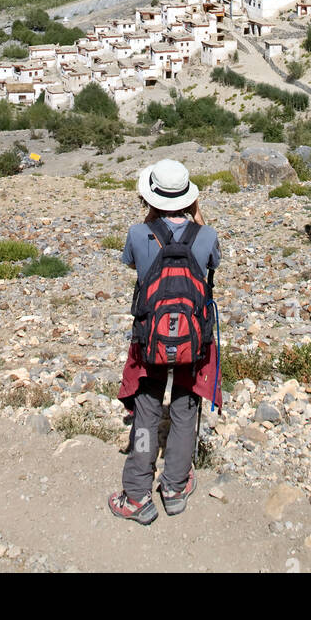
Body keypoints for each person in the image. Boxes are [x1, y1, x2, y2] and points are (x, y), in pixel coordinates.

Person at [108, 158, 222, 525]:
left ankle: (137, 493)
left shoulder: (137, 234)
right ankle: (174, 486)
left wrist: (150, 224)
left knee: (146, 415)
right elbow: (213, 264)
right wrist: (197, 219)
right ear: (189, 199)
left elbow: (134, 266)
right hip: (193, 339)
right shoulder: (206, 235)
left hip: (149, 338)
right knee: (186, 410)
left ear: (150, 198)